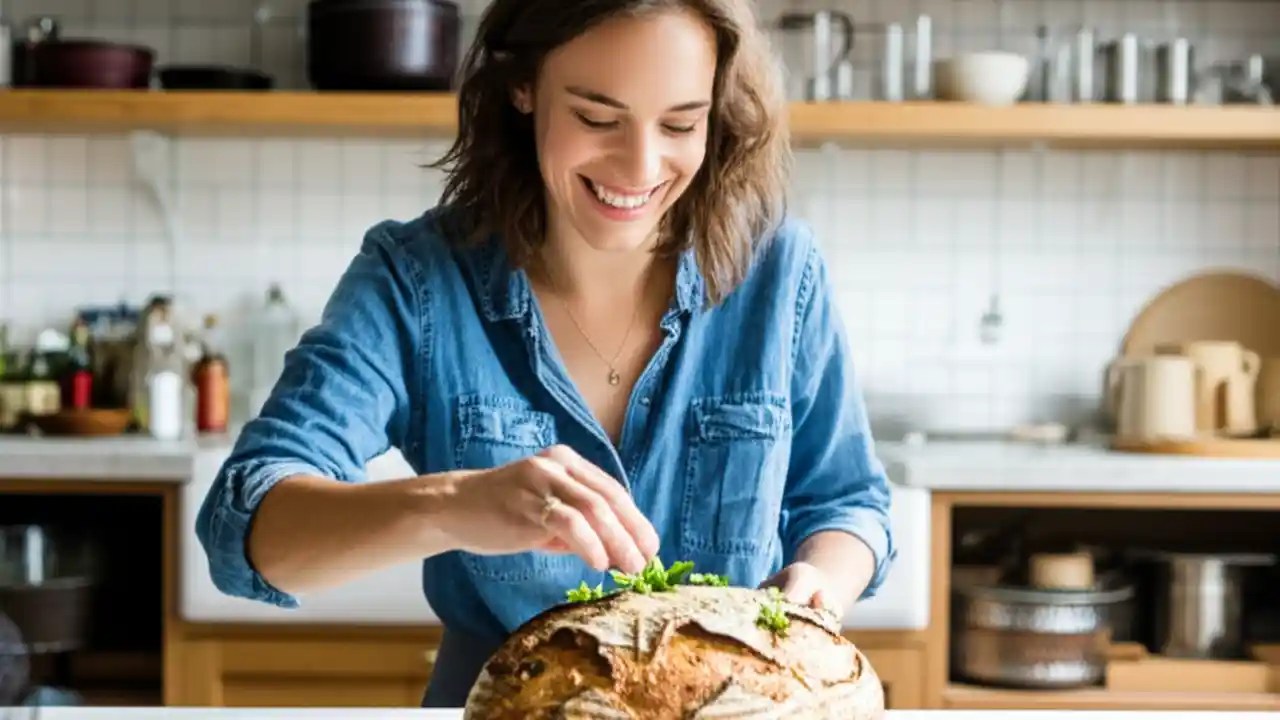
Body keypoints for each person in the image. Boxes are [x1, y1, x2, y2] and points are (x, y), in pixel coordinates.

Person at [195, 0, 896, 708]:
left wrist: (821, 583)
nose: (642, 166)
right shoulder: (418, 280)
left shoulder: (779, 272)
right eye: (598, 118)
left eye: (681, 123)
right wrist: (453, 504)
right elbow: (244, 529)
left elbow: (847, 502)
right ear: (522, 87)